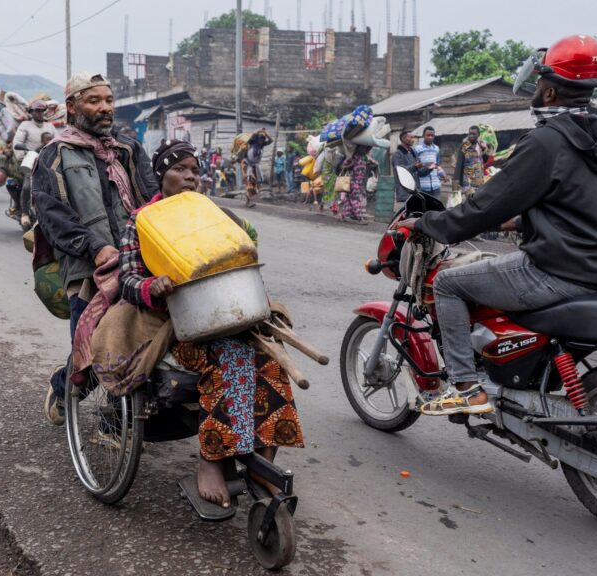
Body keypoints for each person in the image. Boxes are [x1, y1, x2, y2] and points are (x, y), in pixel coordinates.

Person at [399, 34, 597, 415]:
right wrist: (519, 223)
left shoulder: (546, 142)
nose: (535, 91)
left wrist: (430, 224)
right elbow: (583, 206)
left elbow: (483, 206)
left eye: (539, 83)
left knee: (449, 282)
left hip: (555, 271)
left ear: (550, 92)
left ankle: (466, 387)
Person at [118, 139, 303, 506]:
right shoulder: (141, 222)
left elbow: (245, 264)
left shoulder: (216, 215)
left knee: (271, 361)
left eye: (195, 170)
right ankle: (212, 461)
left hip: (231, 316)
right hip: (177, 329)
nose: (189, 177)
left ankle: (263, 461)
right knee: (228, 359)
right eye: (179, 169)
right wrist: (152, 286)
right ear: (161, 176)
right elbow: (127, 280)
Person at [33, 71, 159, 425]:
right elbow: (52, 214)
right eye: (94, 101)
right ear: (73, 107)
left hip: (137, 261)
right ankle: (63, 387)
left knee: (144, 341)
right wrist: (95, 248)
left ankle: (117, 423)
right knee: (89, 354)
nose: (105, 108)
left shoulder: (127, 149)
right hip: (88, 268)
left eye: (108, 100)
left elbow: (151, 197)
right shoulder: (55, 154)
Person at [14, 100, 56, 231]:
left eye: (42, 111)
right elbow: (18, 141)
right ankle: (25, 213)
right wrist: (21, 157)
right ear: (31, 112)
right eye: (37, 111)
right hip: (31, 160)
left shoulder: (50, 126)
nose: (39, 113)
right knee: (27, 186)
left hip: (49, 161)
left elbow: (59, 141)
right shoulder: (25, 125)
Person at [339, 145, 376, 224]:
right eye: (363, 148)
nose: (364, 150)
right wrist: (350, 164)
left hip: (359, 183)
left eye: (366, 149)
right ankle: (359, 218)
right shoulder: (352, 157)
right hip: (353, 182)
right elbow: (342, 167)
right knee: (356, 200)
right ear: (358, 148)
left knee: (348, 200)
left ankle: (345, 215)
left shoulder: (364, 158)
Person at [453, 125, 489, 201]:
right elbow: (459, 164)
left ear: (478, 135)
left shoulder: (481, 144)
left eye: (474, 134)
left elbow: (485, 160)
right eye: (470, 134)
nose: (471, 136)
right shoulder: (465, 145)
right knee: (468, 200)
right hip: (468, 180)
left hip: (479, 178)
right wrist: (455, 186)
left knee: (478, 200)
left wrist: (485, 149)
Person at [413, 126, 449, 200]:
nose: (430, 137)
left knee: (437, 206)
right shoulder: (417, 149)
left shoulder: (436, 148)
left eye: (432, 135)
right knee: (424, 206)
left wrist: (443, 175)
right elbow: (415, 167)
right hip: (422, 186)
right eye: (428, 135)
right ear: (423, 135)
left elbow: (437, 165)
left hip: (435, 185)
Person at [392, 127, 424, 204]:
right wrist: (415, 167)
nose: (413, 139)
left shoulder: (413, 153)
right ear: (403, 139)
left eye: (413, 137)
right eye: (411, 137)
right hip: (404, 194)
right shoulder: (397, 154)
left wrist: (429, 168)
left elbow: (419, 172)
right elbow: (401, 171)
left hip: (416, 192)